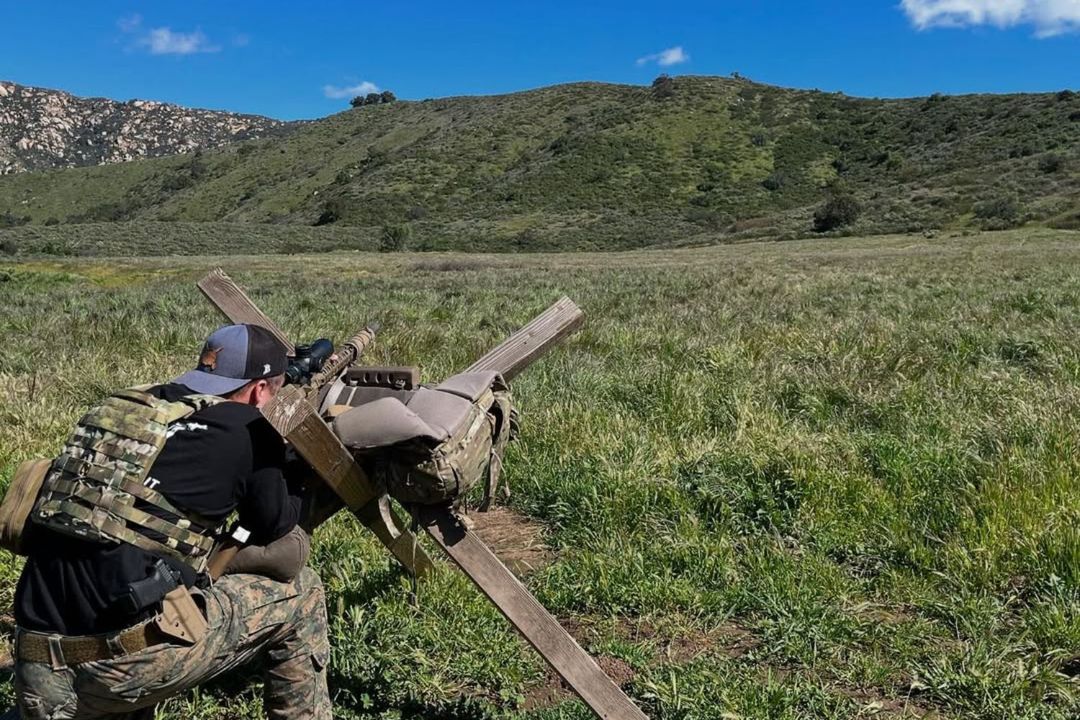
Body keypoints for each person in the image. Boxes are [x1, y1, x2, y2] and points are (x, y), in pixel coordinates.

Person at [11, 324, 330, 720]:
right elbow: (275, 531)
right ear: (260, 390)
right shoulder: (249, 429)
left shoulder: (127, 408)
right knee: (303, 593)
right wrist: (290, 471)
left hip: (35, 665)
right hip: (116, 671)